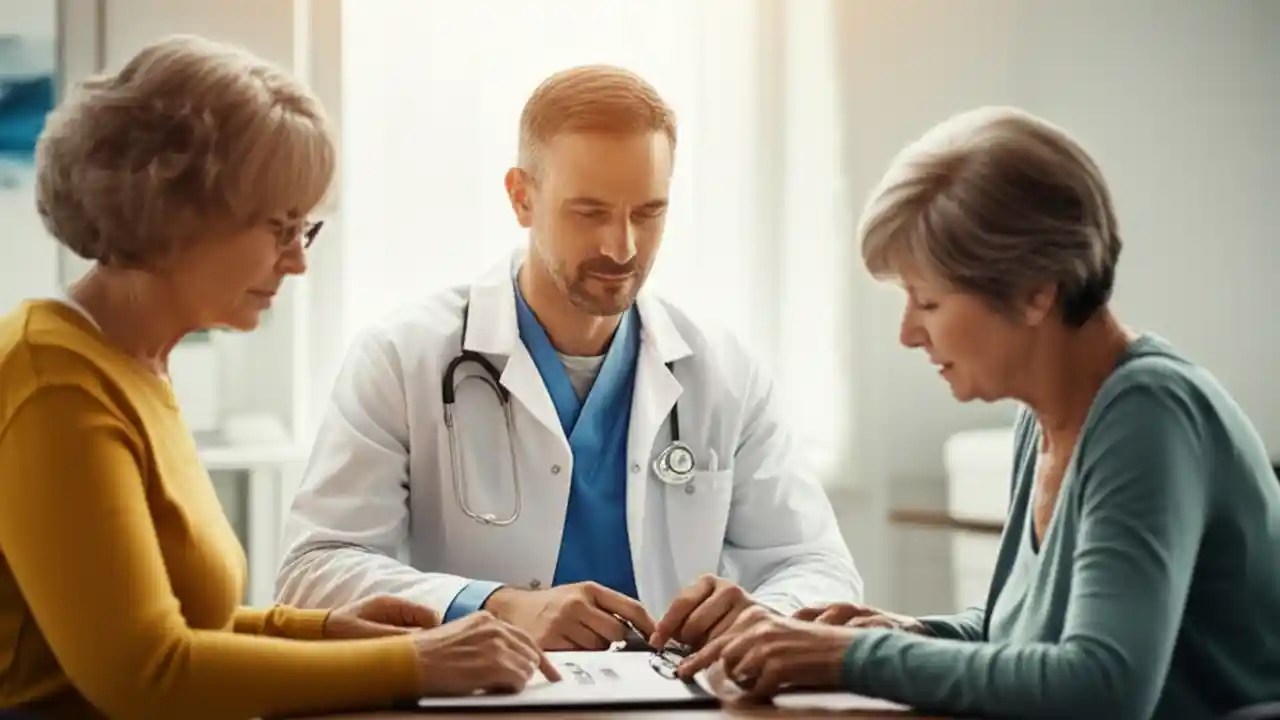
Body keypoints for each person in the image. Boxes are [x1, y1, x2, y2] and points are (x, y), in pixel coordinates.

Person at [0, 35, 556, 719]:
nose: (297, 263)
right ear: (174, 208)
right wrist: (413, 663)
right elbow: (146, 674)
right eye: (280, 229)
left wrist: (325, 633)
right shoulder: (55, 383)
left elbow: (174, 626)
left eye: (306, 231)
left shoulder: (135, 363)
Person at [678, 106, 1280, 718]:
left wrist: (847, 659)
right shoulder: (1044, 417)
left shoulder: (1148, 414)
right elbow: (1018, 641)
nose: (908, 333)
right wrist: (894, 634)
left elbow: (1102, 686)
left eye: (929, 302)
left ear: (1035, 292)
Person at [276, 64, 862, 652]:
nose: (622, 246)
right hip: (481, 698)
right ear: (521, 197)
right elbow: (314, 569)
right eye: (590, 213)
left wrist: (761, 612)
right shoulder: (403, 357)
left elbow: (818, 565)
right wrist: (494, 606)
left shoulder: (722, 372)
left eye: (648, 213)